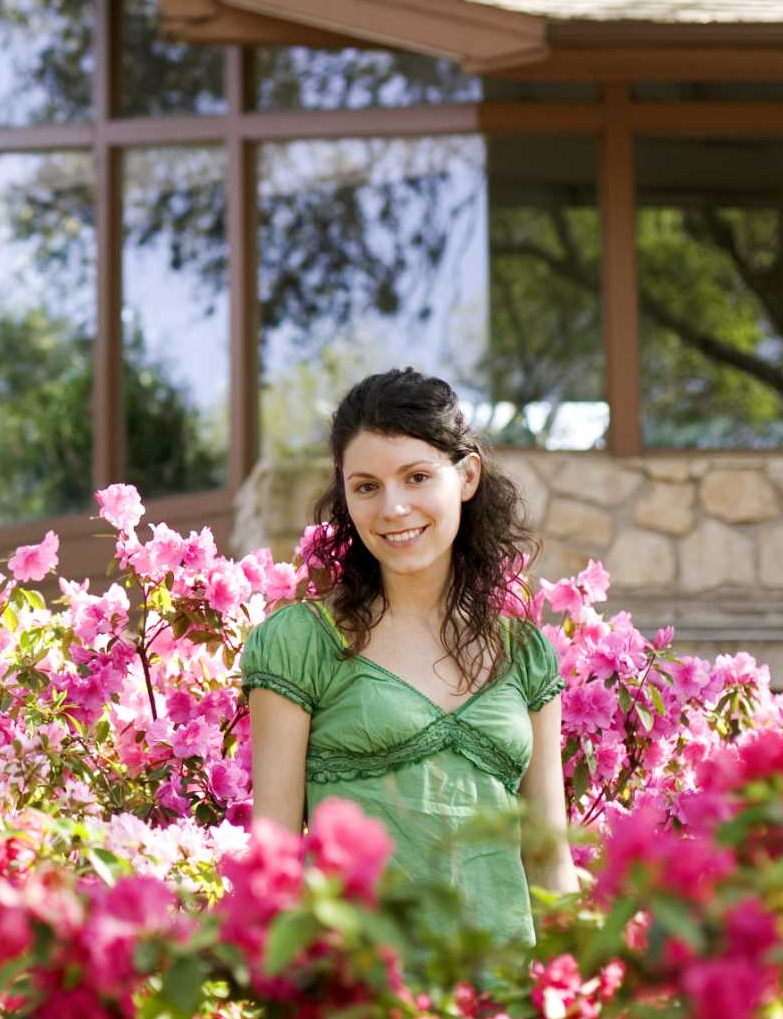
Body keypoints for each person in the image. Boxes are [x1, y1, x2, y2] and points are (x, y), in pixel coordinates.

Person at [240, 367, 580, 981]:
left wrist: (575, 1011)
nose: (393, 508)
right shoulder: (300, 644)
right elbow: (275, 861)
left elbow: (551, 867)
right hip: (362, 1012)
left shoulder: (527, 654)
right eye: (366, 486)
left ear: (467, 476)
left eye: (417, 477)